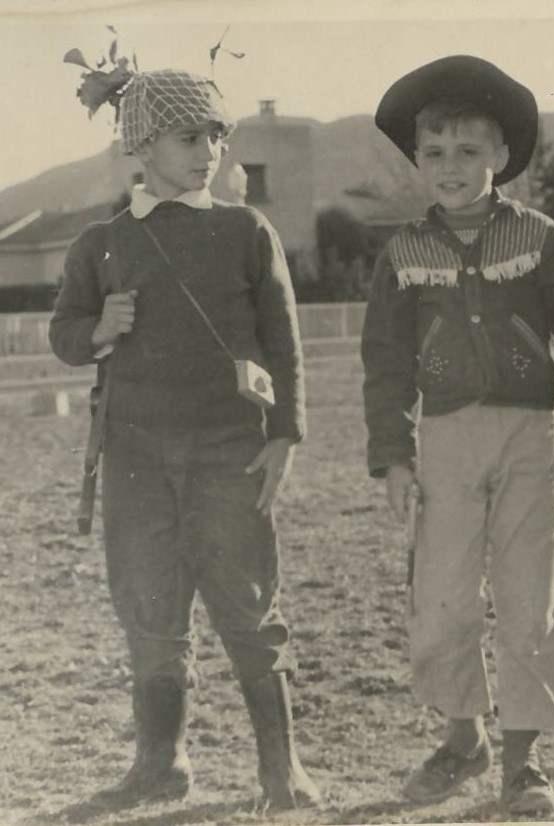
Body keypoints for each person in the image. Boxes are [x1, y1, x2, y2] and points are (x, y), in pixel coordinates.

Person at [49, 54, 320, 813]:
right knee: (149, 607)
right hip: (134, 460)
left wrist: (287, 434)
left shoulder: (244, 230)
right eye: (183, 136)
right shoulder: (100, 243)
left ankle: (281, 770)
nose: (206, 151)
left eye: (213, 134)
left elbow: (283, 340)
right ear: (140, 146)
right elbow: (65, 333)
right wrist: (98, 328)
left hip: (229, 453)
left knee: (247, 604)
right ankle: (160, 764)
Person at [361, 55, 554, 815]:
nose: (450, 167)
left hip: (531, 440)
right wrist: (393, 457)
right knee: (440, 595)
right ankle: (463, 736)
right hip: (443, 442)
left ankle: (522, 759)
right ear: (418, 160)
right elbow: (384, 365)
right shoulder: (404, 253)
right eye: (434, 153)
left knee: (526, 595)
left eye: (468, 151)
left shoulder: (540, 239)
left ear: (502, 156)